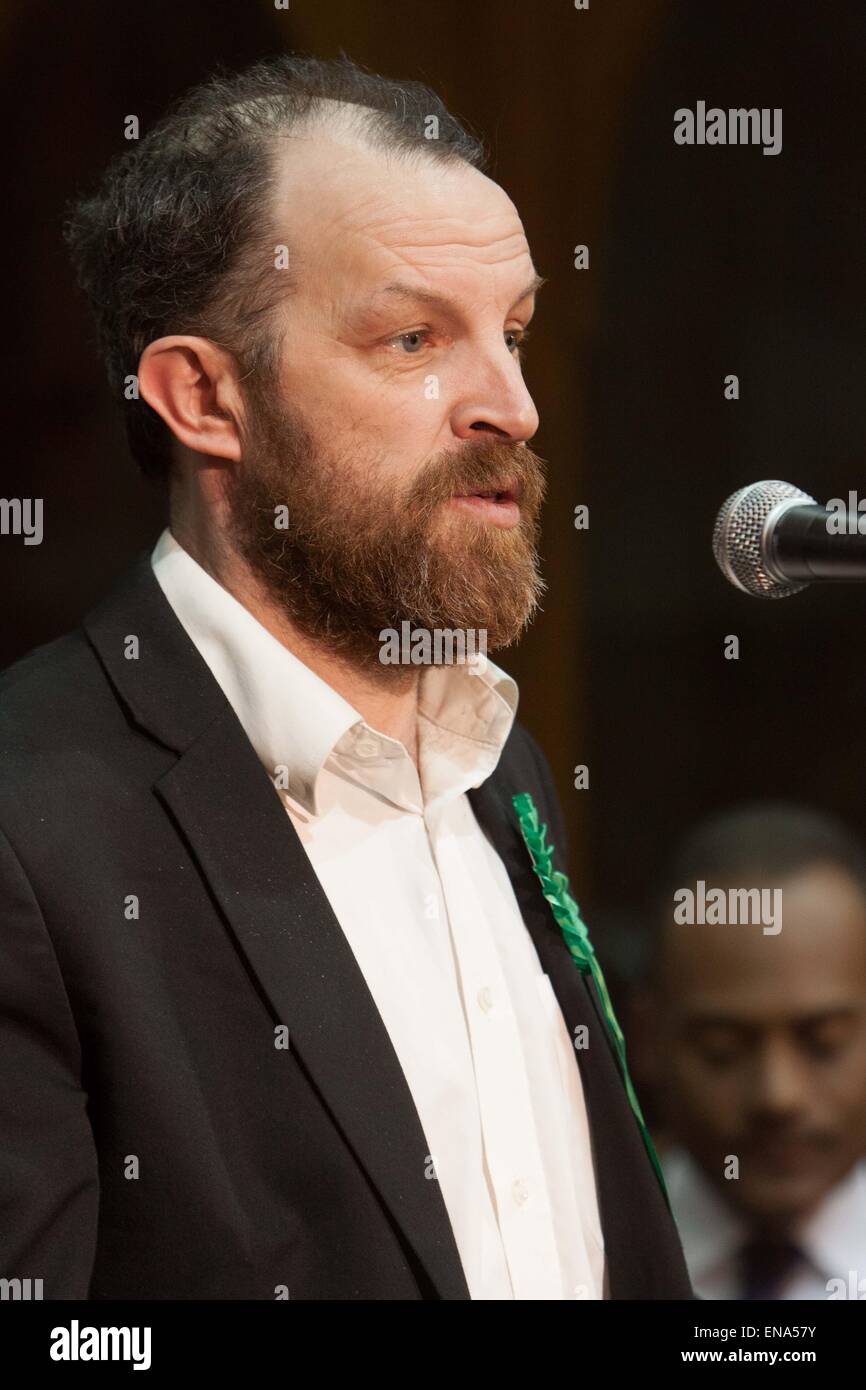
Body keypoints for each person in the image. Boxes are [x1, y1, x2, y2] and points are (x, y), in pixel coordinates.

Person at [0, 53, 691, 1300]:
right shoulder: (31, 821)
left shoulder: (495, 759)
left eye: (516, 332)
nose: (513, 406)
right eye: (414, 336)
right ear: (204, 396)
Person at [640, 803, 866, 1300]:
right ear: (648, 1038)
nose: (778, 1096)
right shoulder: (584, 1255)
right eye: (721, 1050)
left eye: (823, 1044)